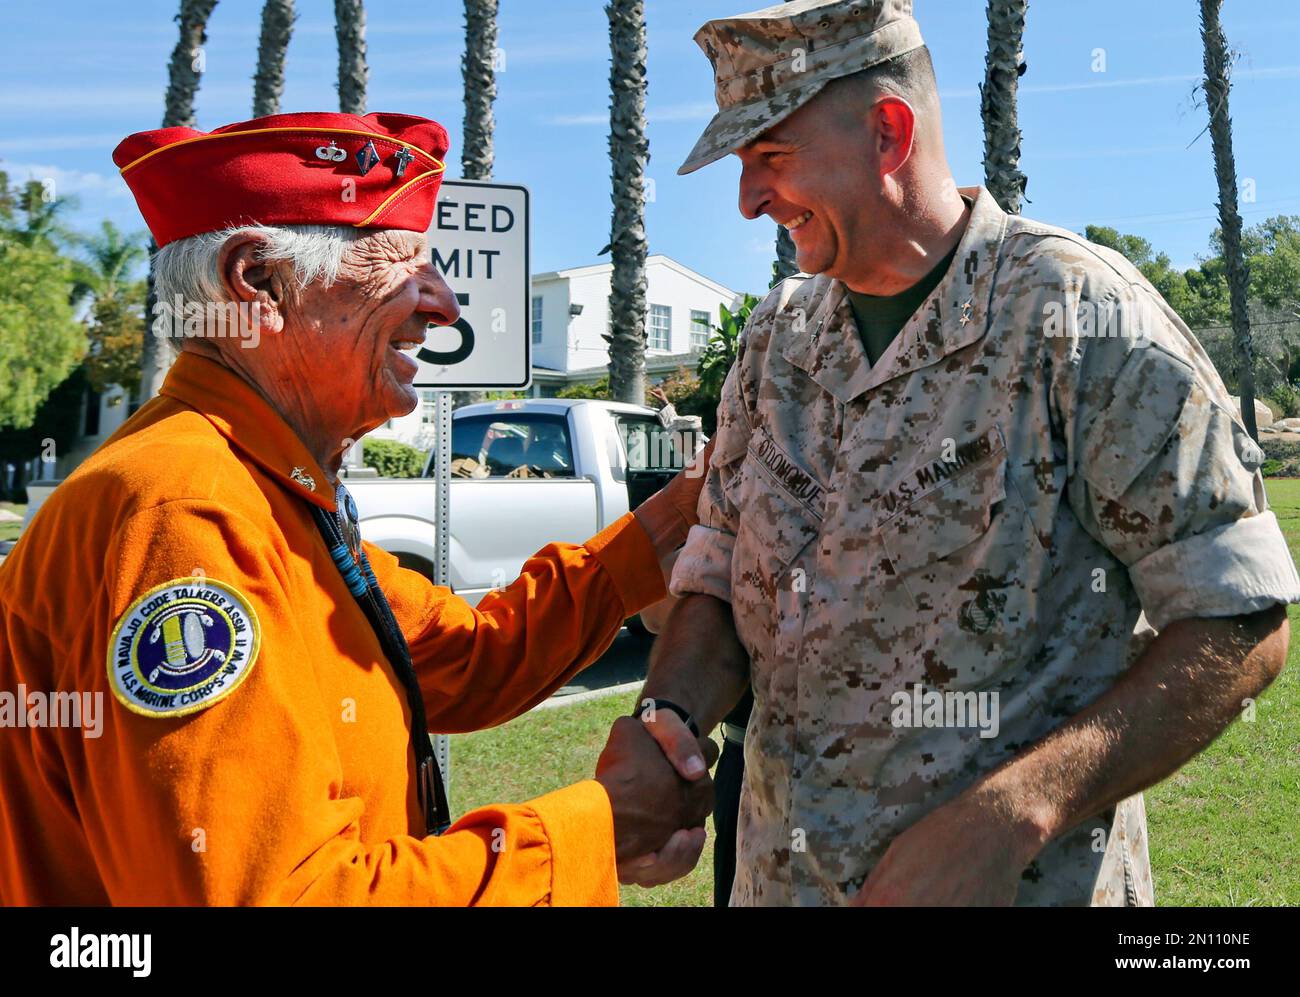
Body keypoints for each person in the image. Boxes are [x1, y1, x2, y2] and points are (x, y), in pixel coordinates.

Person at [619, 0, 1298, 905]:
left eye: (771, 158)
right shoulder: (774, 343)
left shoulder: (1077, 316)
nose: (748, 200)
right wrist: (668, 721)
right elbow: (713, 578)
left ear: (888, 133)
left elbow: (1241, 618)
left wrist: (1017, 811)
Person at [0, 111, 714, 905]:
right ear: (257, 283)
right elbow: (279, 896)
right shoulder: (186, 510)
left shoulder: (263, 483)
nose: (442, 305)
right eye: (401, 264)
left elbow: (464, 660)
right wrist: (595, 830)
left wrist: (677, 515)